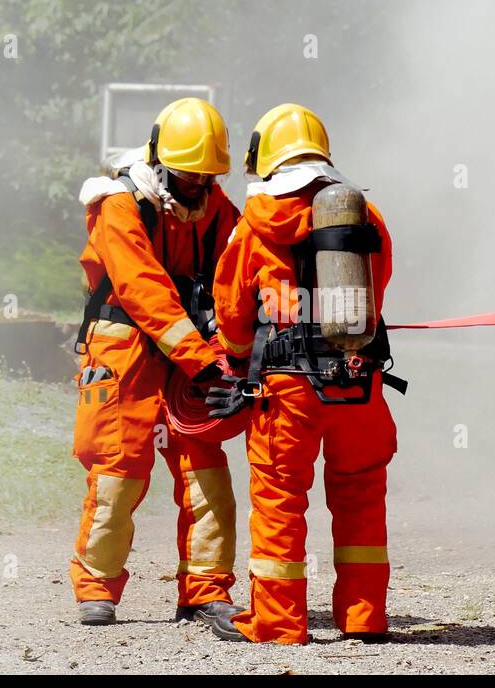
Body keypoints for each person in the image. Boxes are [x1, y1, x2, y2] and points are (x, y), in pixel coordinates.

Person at [207, 103, 401, 644]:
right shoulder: (366, 215)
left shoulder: (255, 225)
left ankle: (278, 621)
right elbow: (376, 287)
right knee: (362, 497)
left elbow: (232, 310)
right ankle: (365, 618)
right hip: (360, 383)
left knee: (279, 502)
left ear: (265, 161)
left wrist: (243, 360)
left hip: (288, 388)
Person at [68, 97, 242, 628]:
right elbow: (143, 290)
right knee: (119, 471)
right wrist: (203, 361)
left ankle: (206, 591)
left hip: (191, 353)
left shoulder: (215, 207)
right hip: (127, 350)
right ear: (162, 159)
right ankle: (96, 588)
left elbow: (237, 271)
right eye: (191, 175)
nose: (199, 185)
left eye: (208, 176)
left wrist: (233, 351)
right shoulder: (120, 205)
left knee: (206, 471)